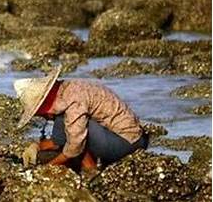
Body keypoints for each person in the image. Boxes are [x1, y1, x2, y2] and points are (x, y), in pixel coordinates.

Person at [14, 66, 148, 171]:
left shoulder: (72, 102)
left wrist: (49, 167)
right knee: (70, 126)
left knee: (75, 131)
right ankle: (89, 165)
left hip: (127, 143)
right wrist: (36, 146)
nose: (44, 117)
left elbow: (75, 144)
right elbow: (59, 140)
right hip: (119, 136)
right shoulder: (65, 91)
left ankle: (90, 169)